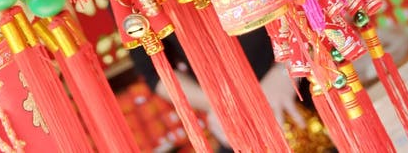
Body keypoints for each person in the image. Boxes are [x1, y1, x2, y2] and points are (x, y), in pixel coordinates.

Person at [129, 26, 307, 152]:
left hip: (303, 77)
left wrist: (286, 69)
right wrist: (222, 106)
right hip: (235, 119)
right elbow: (153, 71)